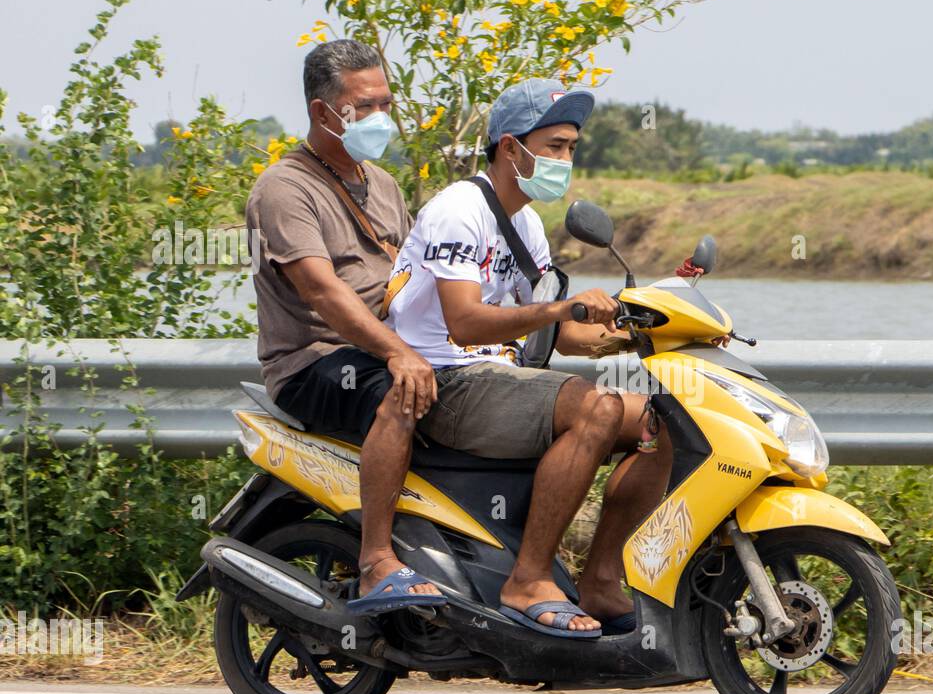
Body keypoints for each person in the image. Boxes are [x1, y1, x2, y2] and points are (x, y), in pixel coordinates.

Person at [383, 78, 674, 638]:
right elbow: (464, 323)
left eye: (571, 148)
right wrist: (566, 308)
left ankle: (602, 579)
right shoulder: (459, 211)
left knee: (662, 421)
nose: (566, 160)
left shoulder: (525, 223)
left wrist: (646, 334)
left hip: (496, 378)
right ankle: (528, 580)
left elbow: (562, 337)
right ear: (512, 148)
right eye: (555, 146)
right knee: (598, 408)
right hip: (444, 380)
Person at [247, 39, 443, 608]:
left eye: (386, 103)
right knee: (397, 394)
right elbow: (323, 292)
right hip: (317, 362)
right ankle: (377, 561)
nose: (380, 117)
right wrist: (398, 354)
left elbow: (415, 278)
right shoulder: (284, 189)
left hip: (382, 347)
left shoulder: (382, 184)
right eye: (366, 107)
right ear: (322, 111)